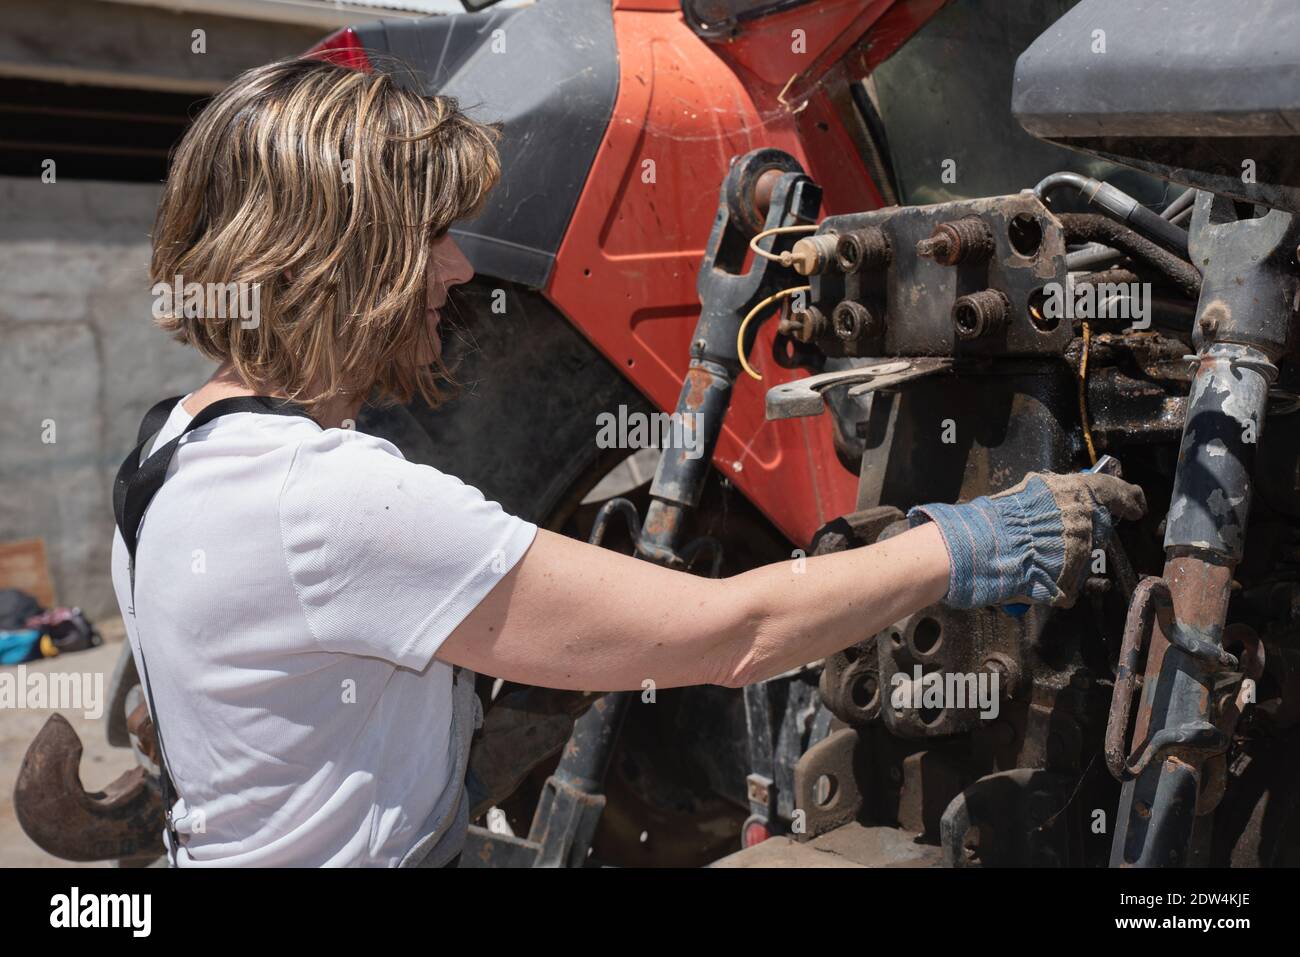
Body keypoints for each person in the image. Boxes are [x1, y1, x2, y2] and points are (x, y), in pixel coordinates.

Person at [112, 58, 1145, 867]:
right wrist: (967, 542)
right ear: (344, 261)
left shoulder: (171, 451)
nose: (460, 268)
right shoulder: (330, 502)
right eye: (432, 238)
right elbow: (732, 636)